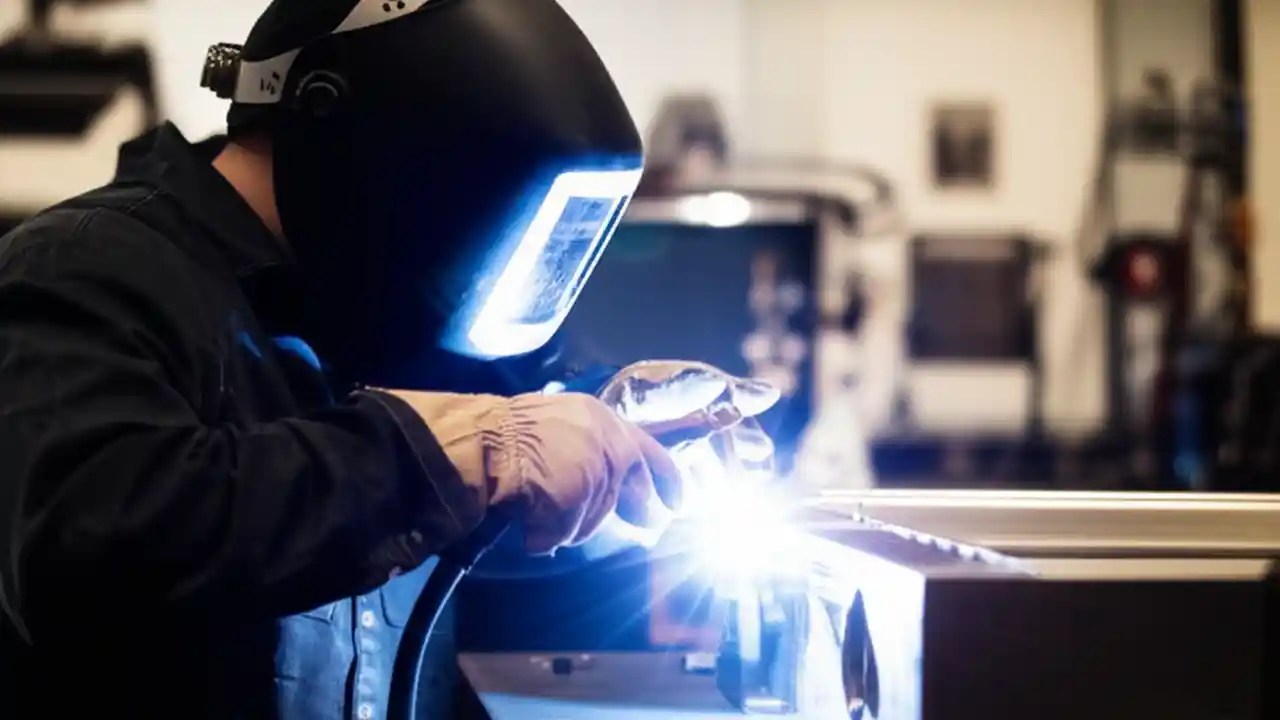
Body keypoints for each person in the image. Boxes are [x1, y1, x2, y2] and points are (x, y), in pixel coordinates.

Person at [0, 0, 776, 716]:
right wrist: (462, 454)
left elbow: (486, 471)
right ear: (369, 143)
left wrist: (617, 442)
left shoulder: (375, 302)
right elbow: (90, 537)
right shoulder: (83, 269)